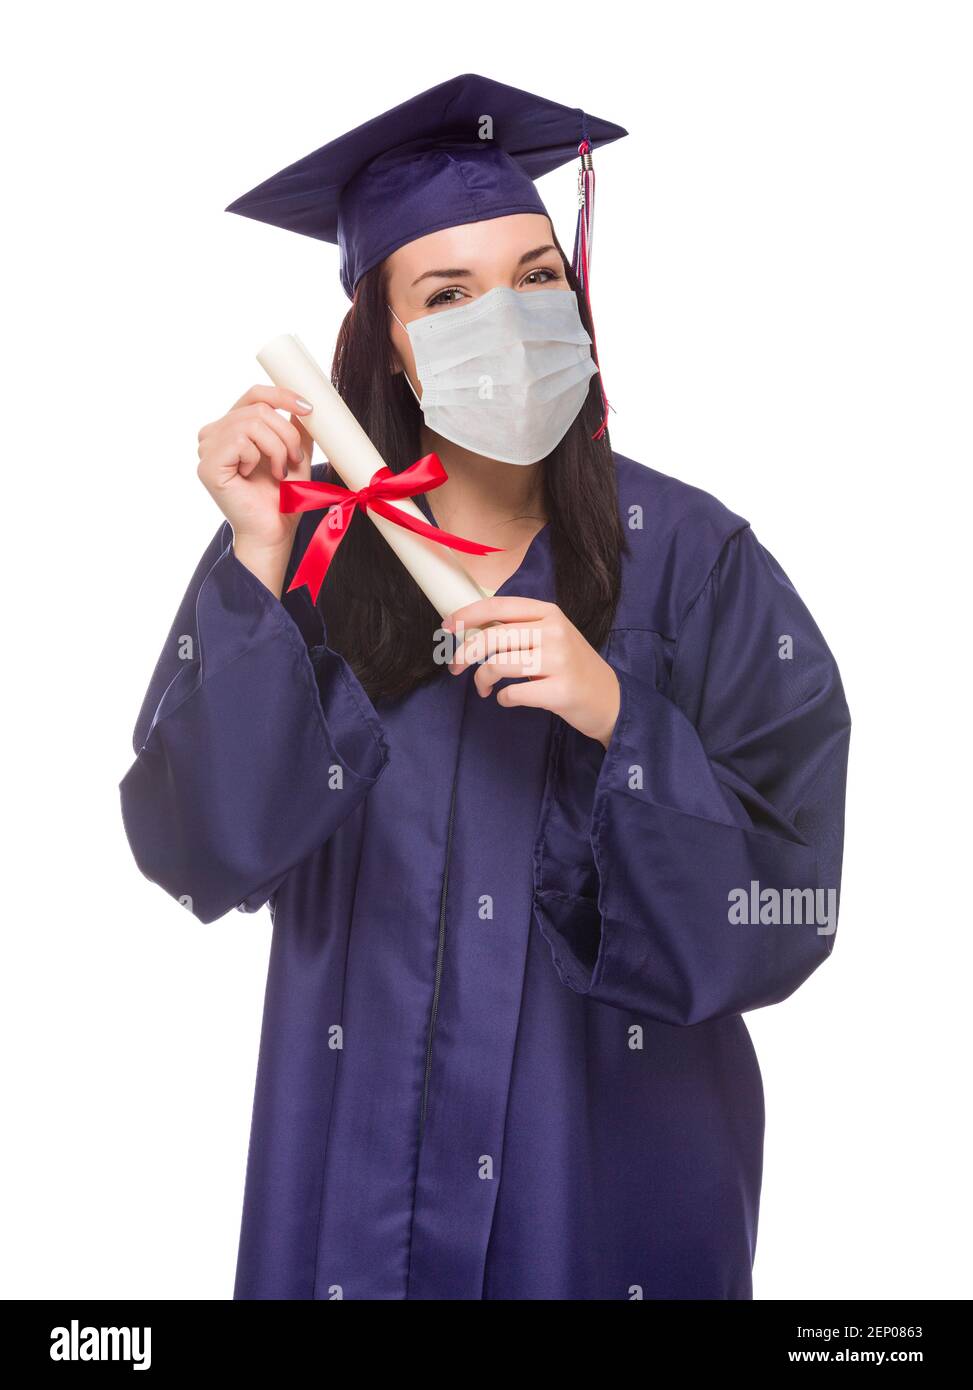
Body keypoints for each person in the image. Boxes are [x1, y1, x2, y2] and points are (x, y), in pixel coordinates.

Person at [119, 73, 852, 1300]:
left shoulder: (694, 559)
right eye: (447, 295)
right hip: (351, 1204)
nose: (502, 322)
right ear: (390, 347)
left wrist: (619, 719)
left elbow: (788, 915)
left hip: (602, 1208)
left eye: (535, 278)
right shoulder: (306, 548)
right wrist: (252, 551)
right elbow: (199, 849)